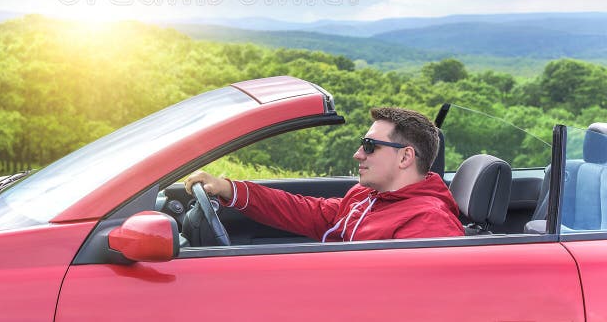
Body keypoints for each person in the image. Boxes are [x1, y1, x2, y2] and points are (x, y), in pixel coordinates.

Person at [185, 106, 464, 242]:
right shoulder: (368, 196)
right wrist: (230, 190)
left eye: (369, 146)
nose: (358, 154)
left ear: (405, 157)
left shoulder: (429, 223)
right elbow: (309, 212)